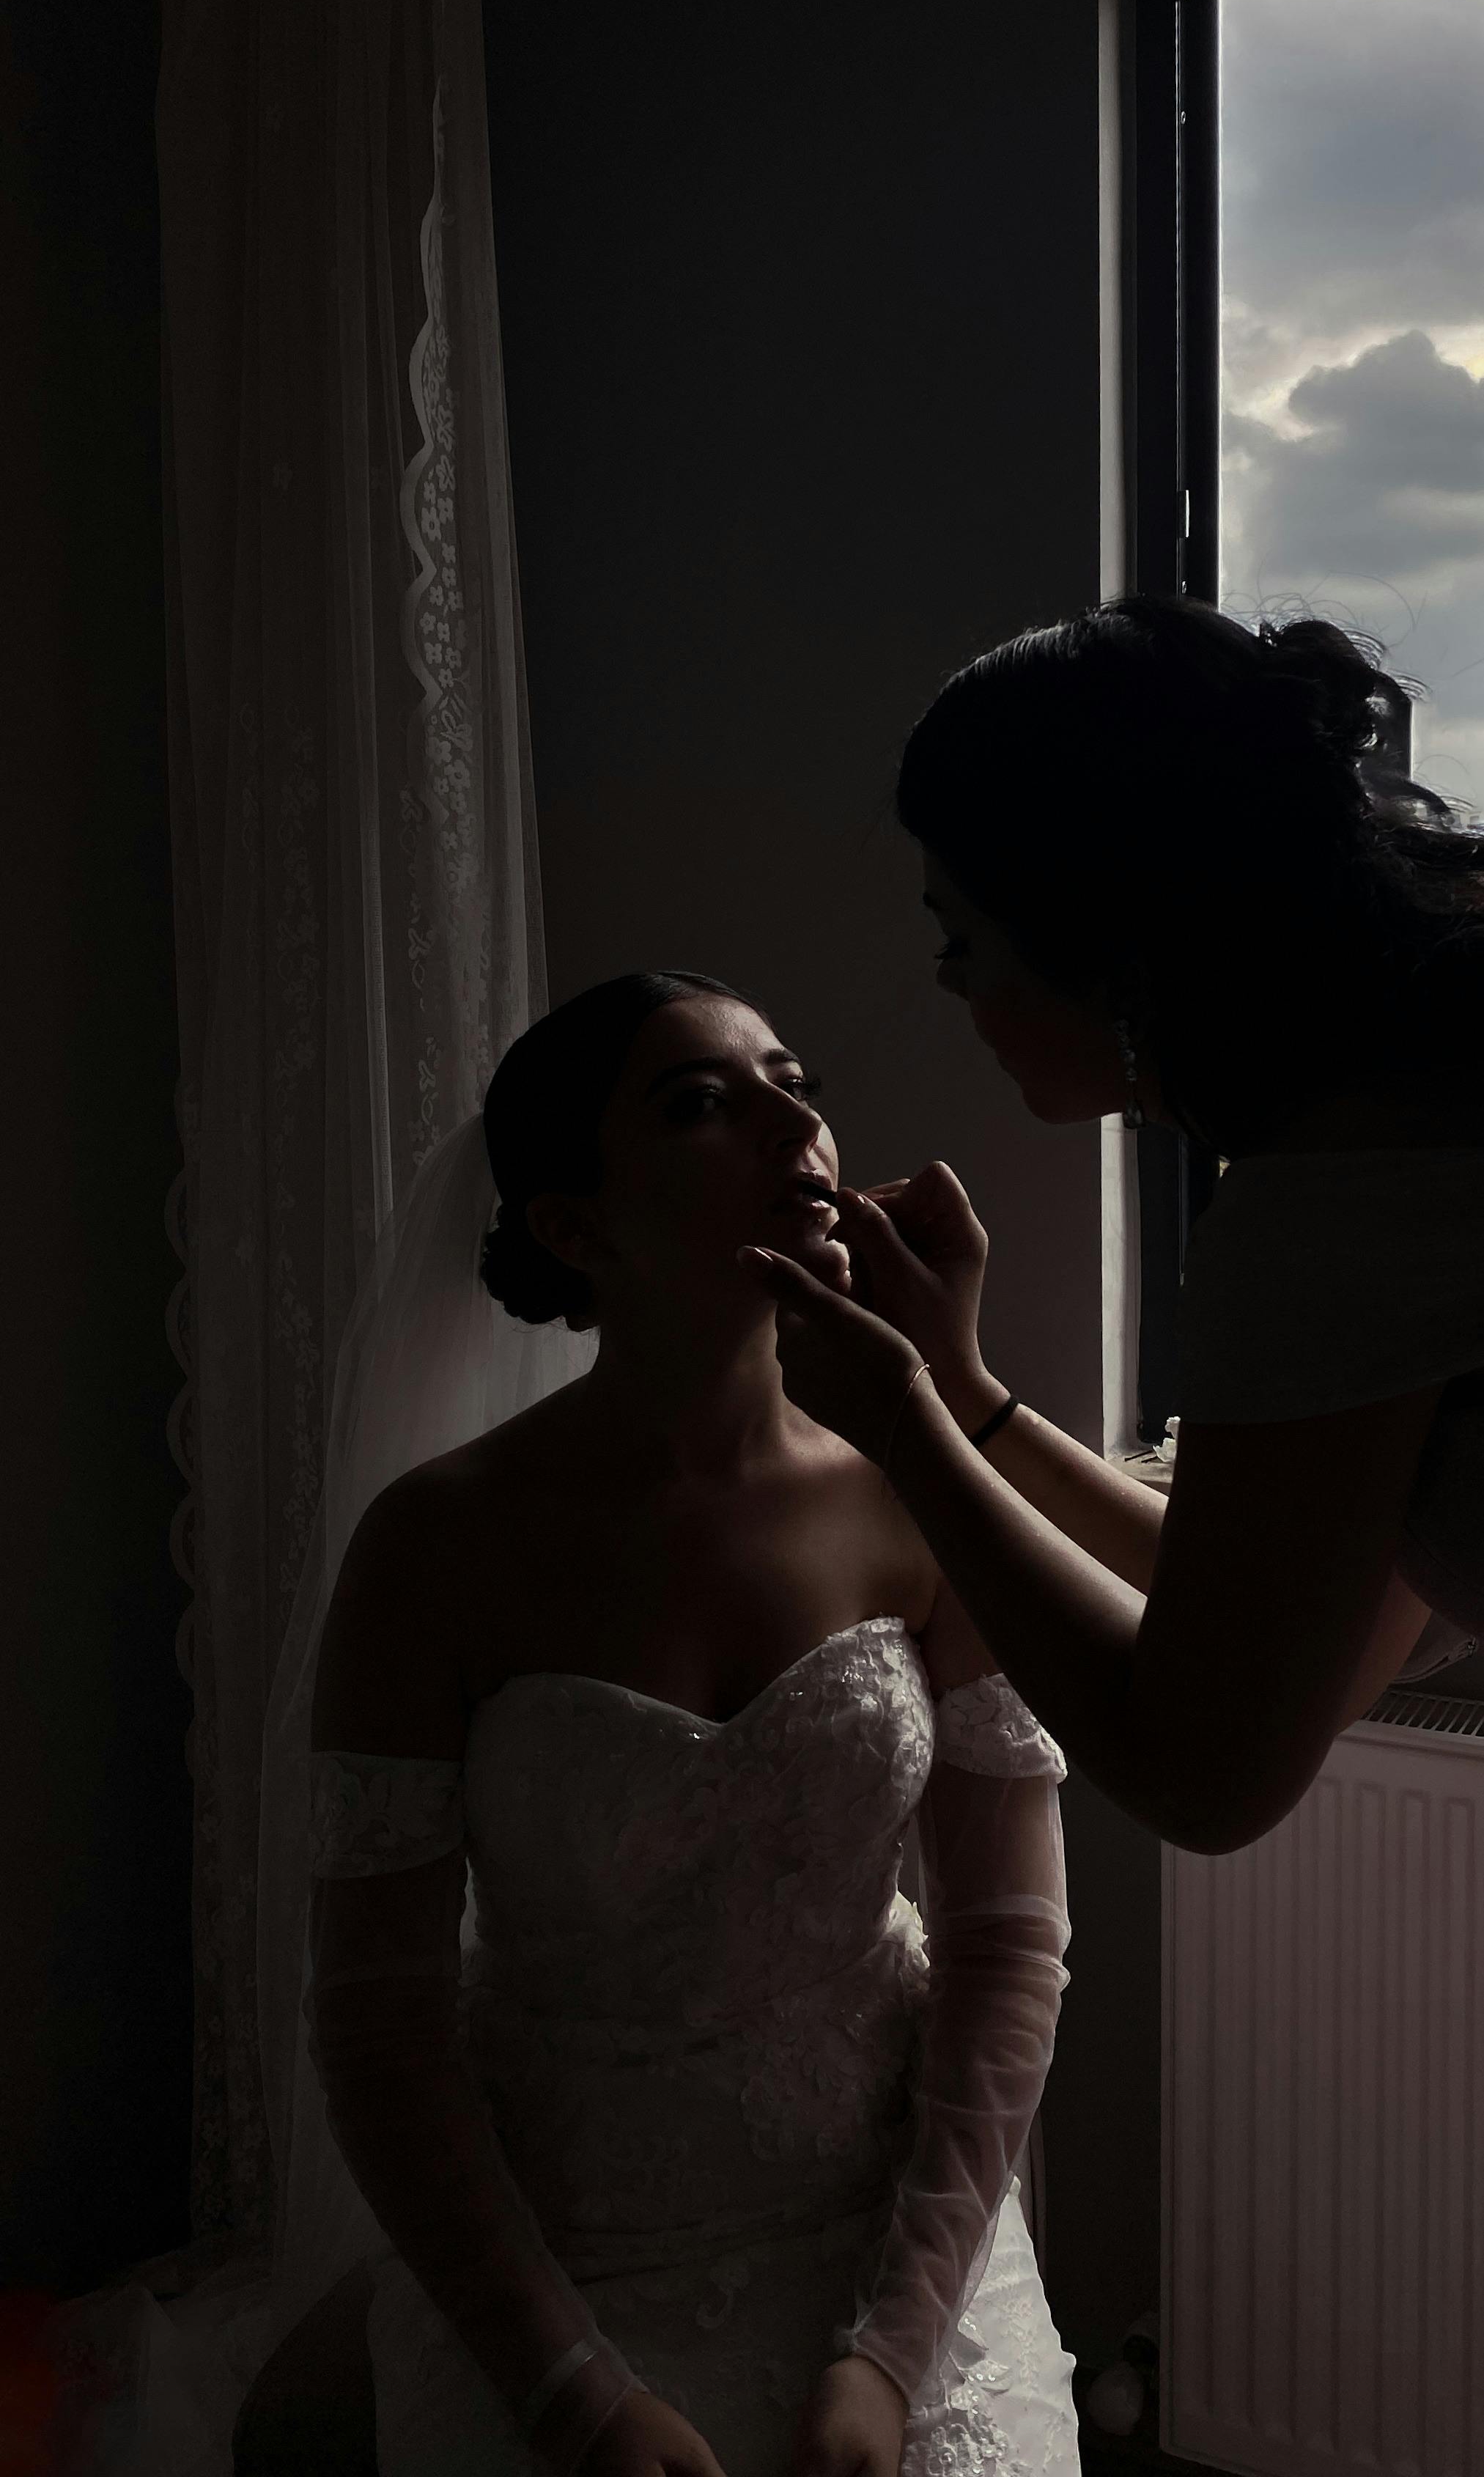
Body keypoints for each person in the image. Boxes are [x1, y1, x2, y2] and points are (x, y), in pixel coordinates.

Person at [238, 971, 1079, 2477]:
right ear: (575, 1227)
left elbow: (1008, 1945)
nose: (792, 1121)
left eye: (794, 1083)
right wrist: (576, 2394)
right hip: (564, 2262)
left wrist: (890, 2353)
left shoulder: (917, 1486)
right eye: (701, 1103)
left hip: (894, 2234)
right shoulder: (436, 1545)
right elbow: (379, 2019)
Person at [739, 597, 1484, 1858]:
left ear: (1108, 948)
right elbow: (1272, 1612)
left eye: (961, 933)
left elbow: (1203, 1775)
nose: (947, 979)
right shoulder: (1413, 1098)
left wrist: (907, 1429)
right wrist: (965, 1396)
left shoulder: (1334, 1205)